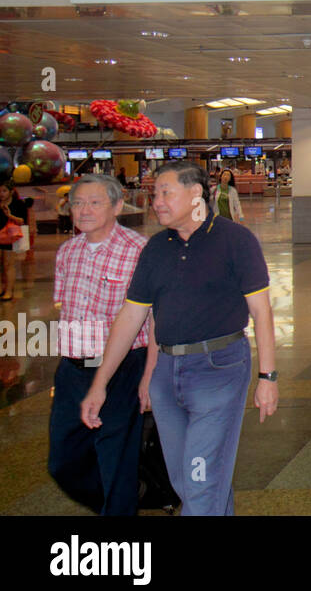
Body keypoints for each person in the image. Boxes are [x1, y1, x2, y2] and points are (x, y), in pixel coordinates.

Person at [81, 160, 277, 516]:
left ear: (196, 194)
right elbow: (131, 317)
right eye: (155, 193)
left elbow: (262, 312)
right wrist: (100, 383)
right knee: (189, 480)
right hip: (167, 375)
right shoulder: (156, 248)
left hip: (218, 370)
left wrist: (267, 377)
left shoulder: (235, 240)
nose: (156, 201)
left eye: (165, 192)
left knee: (201, 481)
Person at [48, 174, 151, 516]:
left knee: (116, 457)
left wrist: (150, 375)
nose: (84, 210)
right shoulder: (67, 252)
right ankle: (118, 498)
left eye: (95, 202)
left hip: (123, 368)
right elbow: (67, 311)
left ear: (118, 206)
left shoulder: (138, 251)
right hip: (74, 371)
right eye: (77, 203)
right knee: (63, 462)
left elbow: (153, 322)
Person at [0, 181, 30, 301]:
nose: (1, 194)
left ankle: (9, 291)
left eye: (4, 191)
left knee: (8, 264)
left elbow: (22, 221)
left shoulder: (18, 204)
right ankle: (3, 288)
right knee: (1, 265)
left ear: (11, 192)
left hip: (9, 237)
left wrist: (9, 215)